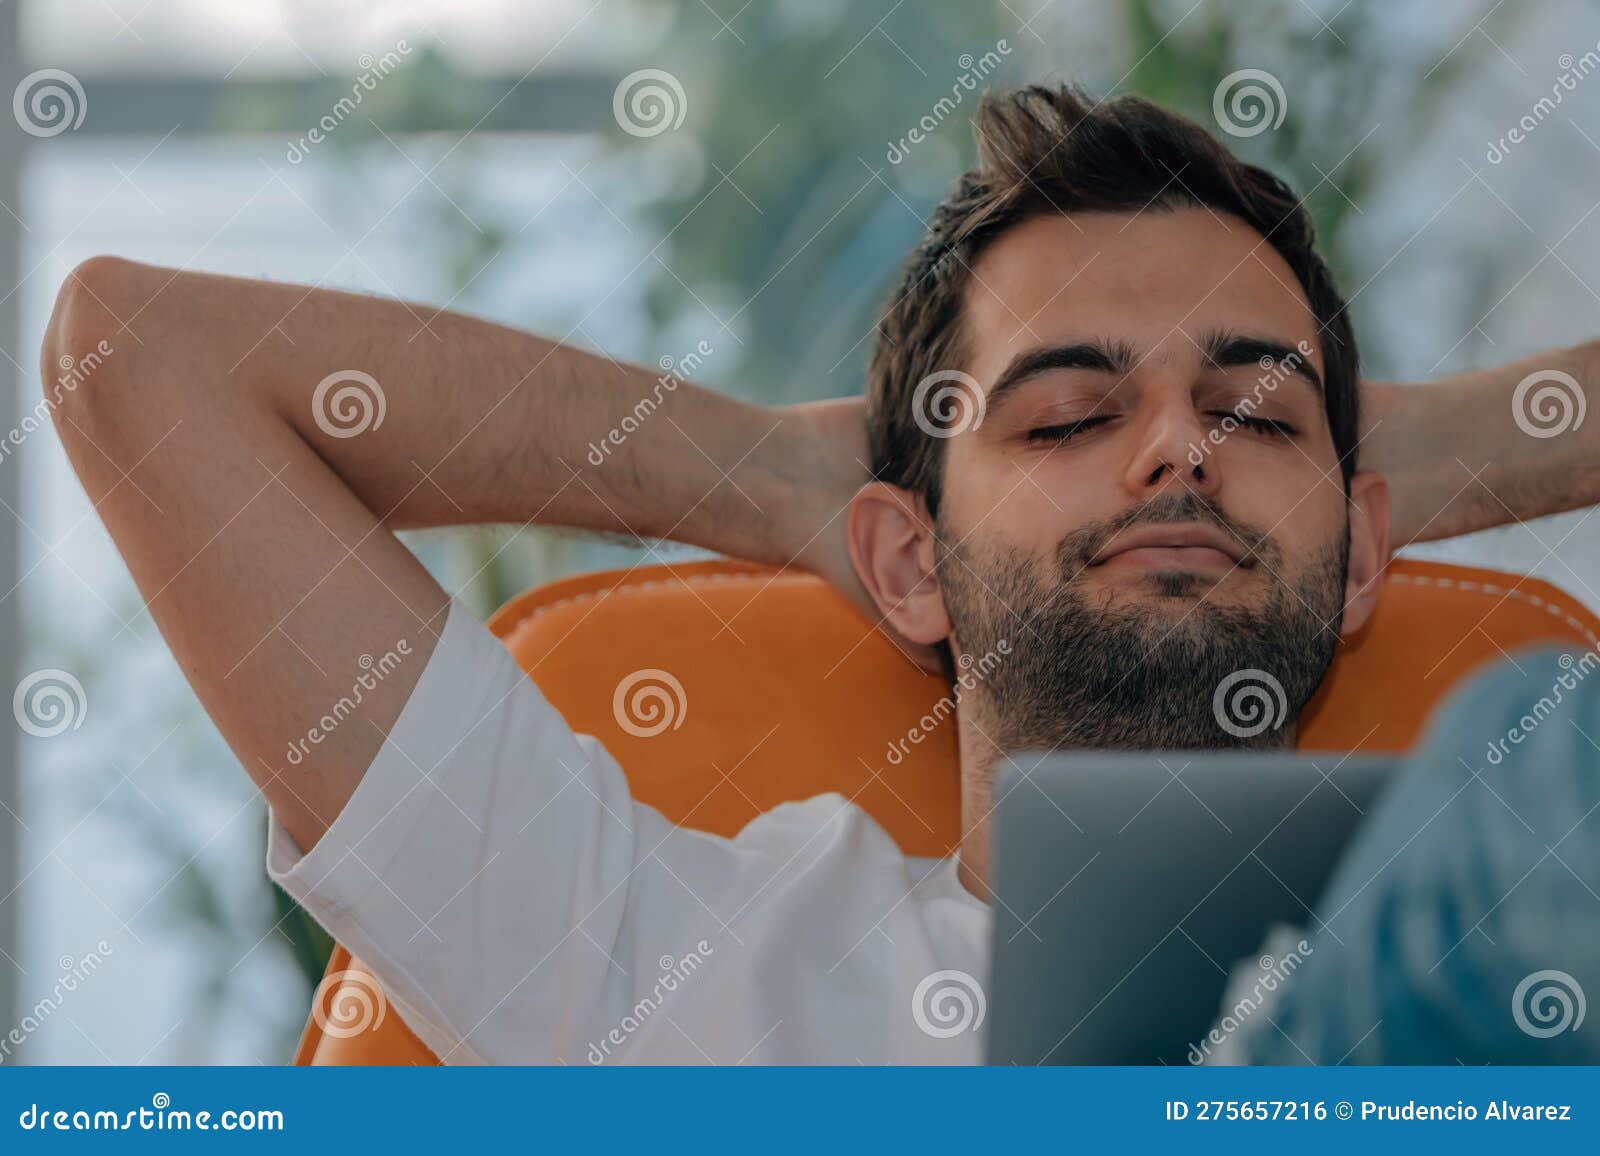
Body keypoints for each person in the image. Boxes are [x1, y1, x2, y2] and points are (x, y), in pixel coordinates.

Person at [40, 83, 1600, 1063]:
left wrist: (1397, 465)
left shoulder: (1522, 892)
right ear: (907, 564)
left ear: (1363, 552)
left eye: (1249, 413)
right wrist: (788, 474)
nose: (1178, 452)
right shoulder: (644, 956)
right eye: (1068, 412)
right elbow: (144, 358)